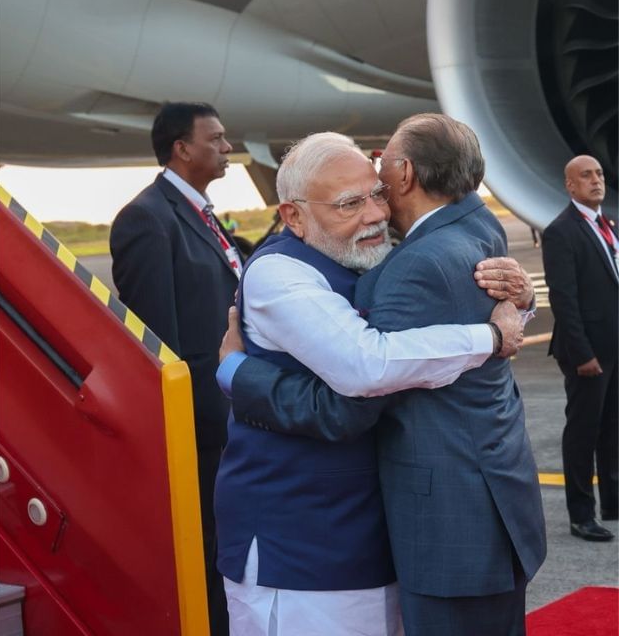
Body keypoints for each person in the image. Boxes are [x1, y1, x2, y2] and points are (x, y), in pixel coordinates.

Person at [223, 114, 547, 636]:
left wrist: (521, 300)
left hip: (370, 534)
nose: (376, 213)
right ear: (293, 215)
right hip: (301, 542)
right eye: (350, 204)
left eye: (376, 193)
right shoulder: (280, 274)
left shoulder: (376, 254)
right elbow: (365, 372)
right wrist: (490, 337)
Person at [109, 101, 238, 635]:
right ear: (182, 149)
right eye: (217, 138)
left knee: (227, 547)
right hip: (200, 425)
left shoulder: (198, 212)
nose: (227, 147)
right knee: (206, 554)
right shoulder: (148, 219)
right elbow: (157, 343)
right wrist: (190, 420)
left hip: (229, 415)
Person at [542, 154, 618, 542]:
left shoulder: (608, 225)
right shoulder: (561, 231)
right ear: (570, 185)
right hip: (587, 353)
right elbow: (564, 299)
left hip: (614, 346)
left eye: (599, 174)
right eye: (586, 176)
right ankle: (581, 514)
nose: (596, 180)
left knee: (613, 428)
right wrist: (583, 354)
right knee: (583, 433)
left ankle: (613, 503)